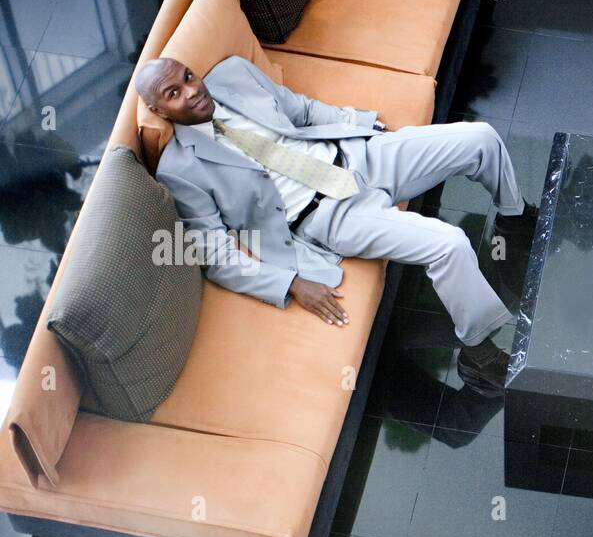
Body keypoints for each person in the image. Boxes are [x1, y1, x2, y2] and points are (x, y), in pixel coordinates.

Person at [135, 55, 535, 395]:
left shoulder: (233, 74)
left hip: (357, 155)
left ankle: (513, 221)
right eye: (173, 93)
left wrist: (363, 124)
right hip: (327, 215)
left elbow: (302, 110)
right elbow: (215, 256)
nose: (191, 90)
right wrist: (289, 283)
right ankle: (478, 353)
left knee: (479, 138)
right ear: (159, 110)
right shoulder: (179, 169)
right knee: (449, 244)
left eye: (187, 76)